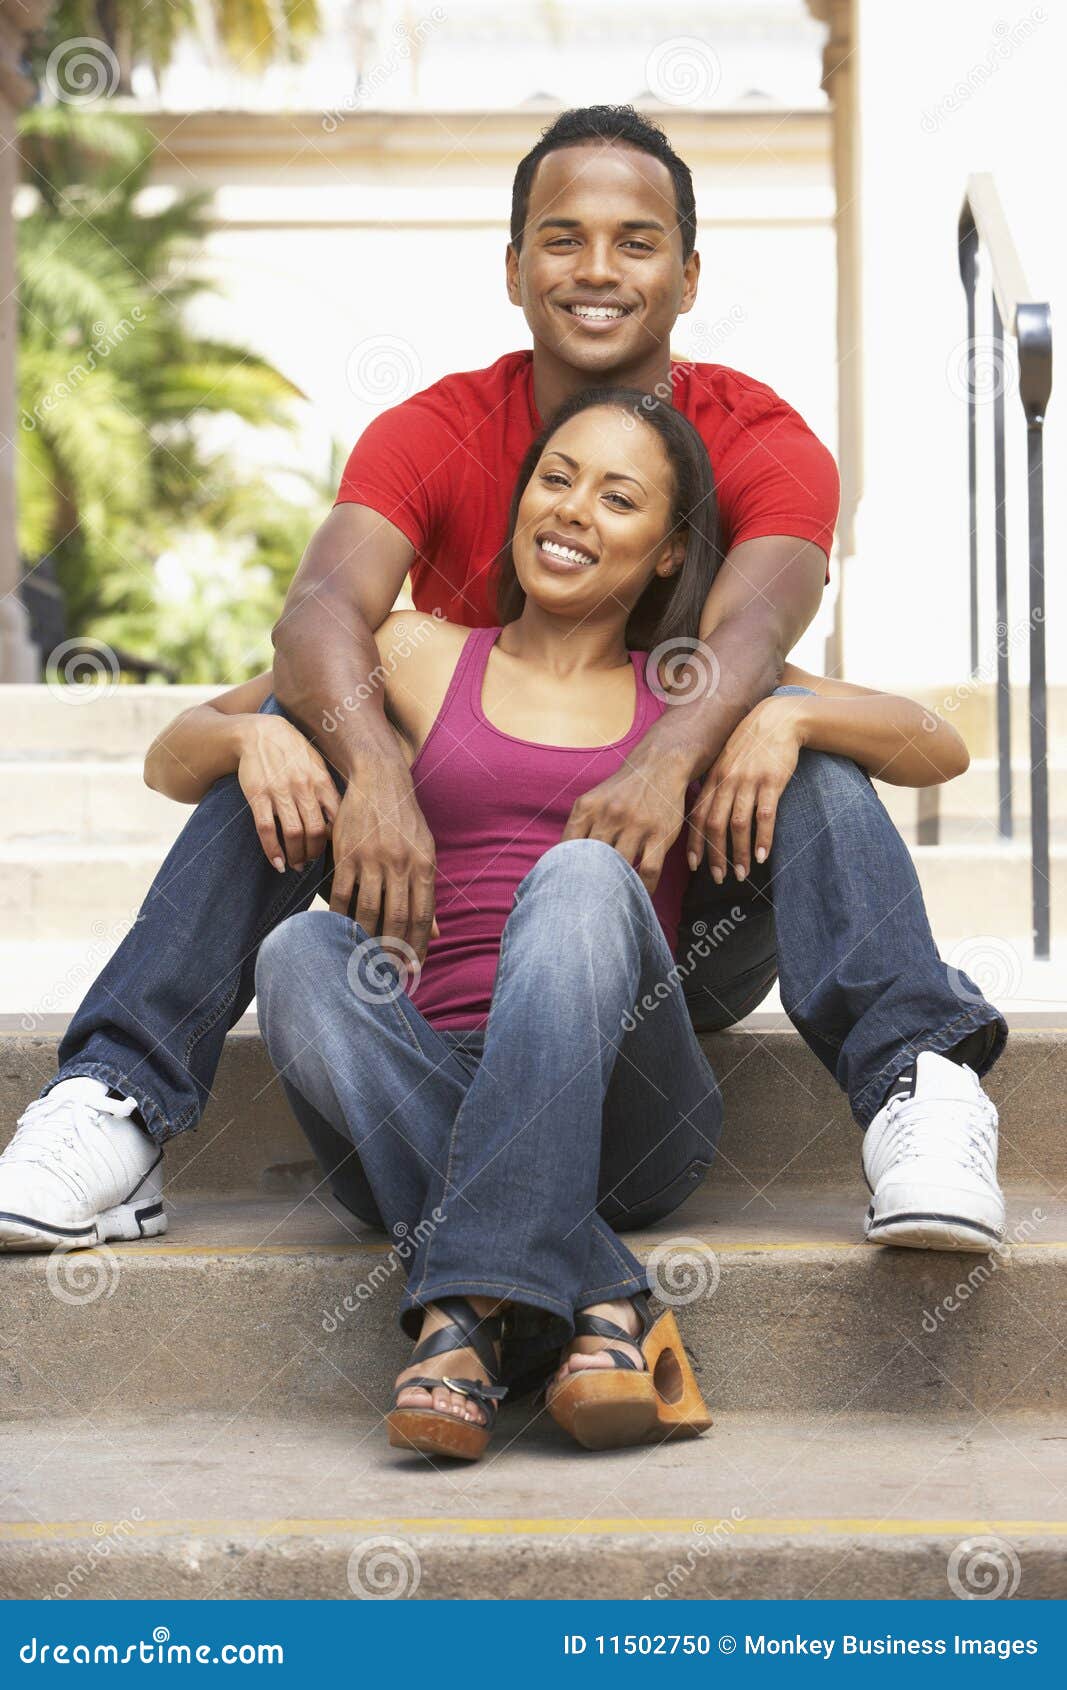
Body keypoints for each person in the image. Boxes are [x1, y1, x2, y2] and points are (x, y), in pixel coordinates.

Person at [91, 391, 1004, 1459]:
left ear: (666, 554)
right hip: (416, 1072)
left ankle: (464, 1318)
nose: (572, 511)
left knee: (578, 876)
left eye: (617, 498)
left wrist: (785, 712)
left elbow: (936, 743)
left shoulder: (683, 687)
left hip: (628, 1104)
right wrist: (250, 742)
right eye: (554, 479)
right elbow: (171, 754)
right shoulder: (417, 651)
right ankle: (605, 1299)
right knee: (298, 951)